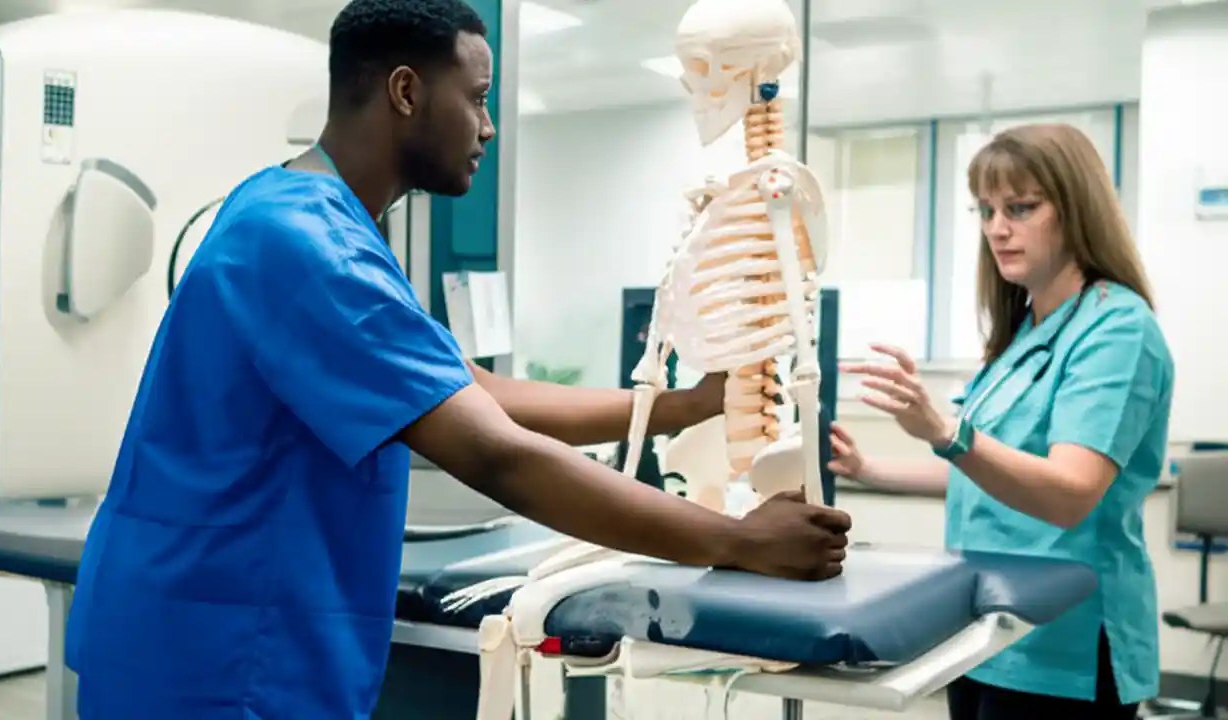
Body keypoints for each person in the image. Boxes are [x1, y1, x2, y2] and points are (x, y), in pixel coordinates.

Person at [63, 1, 852, 718]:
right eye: (476, 99)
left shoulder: (294, 210)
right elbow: (495, 454)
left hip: (199, 616)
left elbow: (473, 392)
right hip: (217, 651)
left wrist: (685, 406)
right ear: (406, 92)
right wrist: (738, 538)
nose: (489, 125)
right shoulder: (310, 246)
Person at [831, 123, 1174, 720]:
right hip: (984, 629)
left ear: (1076, 210)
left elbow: (1068, 494)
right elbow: (987, 476)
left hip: (1062, 645)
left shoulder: (1117, 329)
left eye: (1021, 208)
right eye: (986, 210)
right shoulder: (1024, 334)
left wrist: (947, 432)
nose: (997, 228)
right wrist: (868, 467)